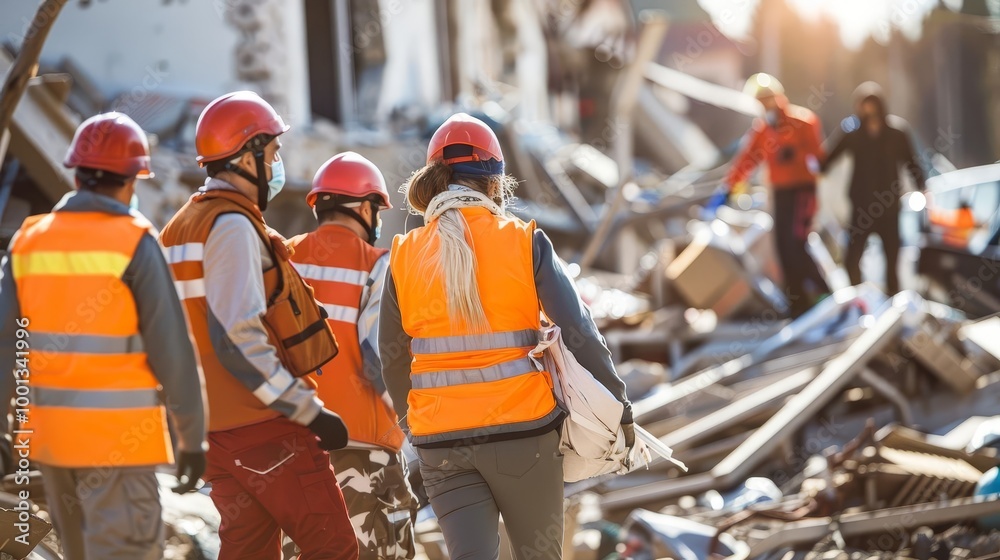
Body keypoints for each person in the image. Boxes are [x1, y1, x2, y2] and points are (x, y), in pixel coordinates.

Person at [379, 113, 634, 560]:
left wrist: (412, 422)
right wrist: (619, 405)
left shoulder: (403, 255)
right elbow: (579, 331)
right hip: (523, 436)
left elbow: (392, 357)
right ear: (494, 182)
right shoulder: (523, 241)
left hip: (441, 444)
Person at [158, 91, 358, 560]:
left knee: (250, 552)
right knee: (336, 550)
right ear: (247, 156)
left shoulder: (177, 228)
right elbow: (238, 337)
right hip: (265, 427)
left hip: (214, 431)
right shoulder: (230, 226)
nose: (277, 164)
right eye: (272, 152)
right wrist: (306, 410)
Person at [0, 113, 207, 560]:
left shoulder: (28, 241)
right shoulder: (134, 241)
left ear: (76, 173)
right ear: (132, 180)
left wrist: (2, 434)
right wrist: (193, 439)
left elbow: (5, 347)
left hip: (52, 447)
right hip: (119, 447)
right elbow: (173, 351)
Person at [289, 152, 418, 559]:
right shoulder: (381, 266)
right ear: (365, 208)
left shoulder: (283, 258)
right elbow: (378, 358)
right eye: (376, 211)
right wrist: (412, 425)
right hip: (364, 449)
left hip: (291, 450)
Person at [724, 73, 830, 317]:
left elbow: (820, 159)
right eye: (761, 100)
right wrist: (729, 187)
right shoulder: (762, 130)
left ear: (778, 96)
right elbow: (747, 160)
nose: (766, 104)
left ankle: (824, 295)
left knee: (796, 243)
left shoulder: (802, 120)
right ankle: (798, 304)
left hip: (802, 191)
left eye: (768, 98)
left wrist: (797, 155)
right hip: (781, 193)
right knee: (782, 246)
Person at [822, 81, 926, 294]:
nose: (869, 112)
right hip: (861, 207)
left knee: (892, 260)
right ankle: (860, 300)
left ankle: (893, 303)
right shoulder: (852, 134)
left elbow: (912, 162)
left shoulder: (897, 133)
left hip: (889, 207)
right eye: (864, 106)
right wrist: (812, 168)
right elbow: (828, 158)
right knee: (852, 259)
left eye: (873, 105)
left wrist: (923, 189)